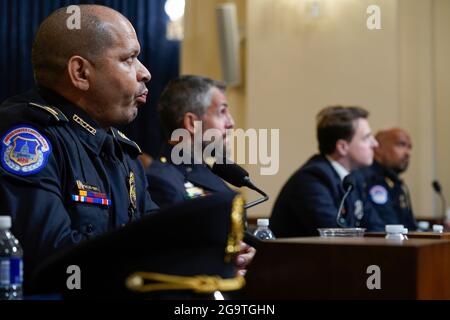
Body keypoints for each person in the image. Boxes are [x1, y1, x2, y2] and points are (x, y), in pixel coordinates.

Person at [0, 5, 159, 288]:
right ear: (80, 73)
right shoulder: (27, 138)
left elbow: (158, 231)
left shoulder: (123, 152)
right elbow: (53, 257)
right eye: (129, 59)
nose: (144, 73)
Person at [146, 75, 254, 274]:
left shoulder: (208, 173)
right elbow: (173, 261)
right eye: (222, 111)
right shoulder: (161, 180)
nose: (231, 122)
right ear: (191, 123)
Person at [270, 106, 385, 237]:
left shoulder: (353, 178)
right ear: (342, 147)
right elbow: (333, 235)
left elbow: (376, 227)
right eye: (366, 138)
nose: (374, 144)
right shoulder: (311, 180)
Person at [361, 128, 417, 230]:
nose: (407, 153)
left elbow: (410, 226)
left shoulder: (394, 180)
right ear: (378, 147)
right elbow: (388, 226)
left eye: (409, 147)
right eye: (401, 145)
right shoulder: (369, 178)